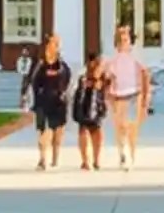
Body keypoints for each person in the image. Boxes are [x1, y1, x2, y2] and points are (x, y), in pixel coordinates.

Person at [19, 33, 72, 171]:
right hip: (42, 101)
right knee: (43, 130)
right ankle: (42, 159)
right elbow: (30, 80)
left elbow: (67, 79)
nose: (54, 47)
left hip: (58, 101)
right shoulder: (39, 64)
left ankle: (55, 158)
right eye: (51, 44)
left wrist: (63, 92)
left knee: (58, 131)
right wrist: (24, 95)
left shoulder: (62, 65)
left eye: (55, 44)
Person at [106, 25, 150, 171]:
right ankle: (122, 153)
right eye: (121, 40)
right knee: (120, 127)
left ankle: (130, 154)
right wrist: (108, 97)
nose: (124, 43)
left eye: (126, 40)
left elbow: (145, 75)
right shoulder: (113, 59)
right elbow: (109, 78)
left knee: (132, 127)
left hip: (134, 94)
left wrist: (145, 98)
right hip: (119, 95)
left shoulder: (136, 57)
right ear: (117, 43)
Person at [71, 51, 109, 171]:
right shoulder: (82, 77)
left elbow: (107, 90)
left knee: (97, 132)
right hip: (83, 106)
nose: (94, 66)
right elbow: (76, 92)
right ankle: (85, 161)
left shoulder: (103, 77)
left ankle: (96, 160)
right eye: (92, 63)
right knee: (83, 132)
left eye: (97, 64)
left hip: (96, 107)